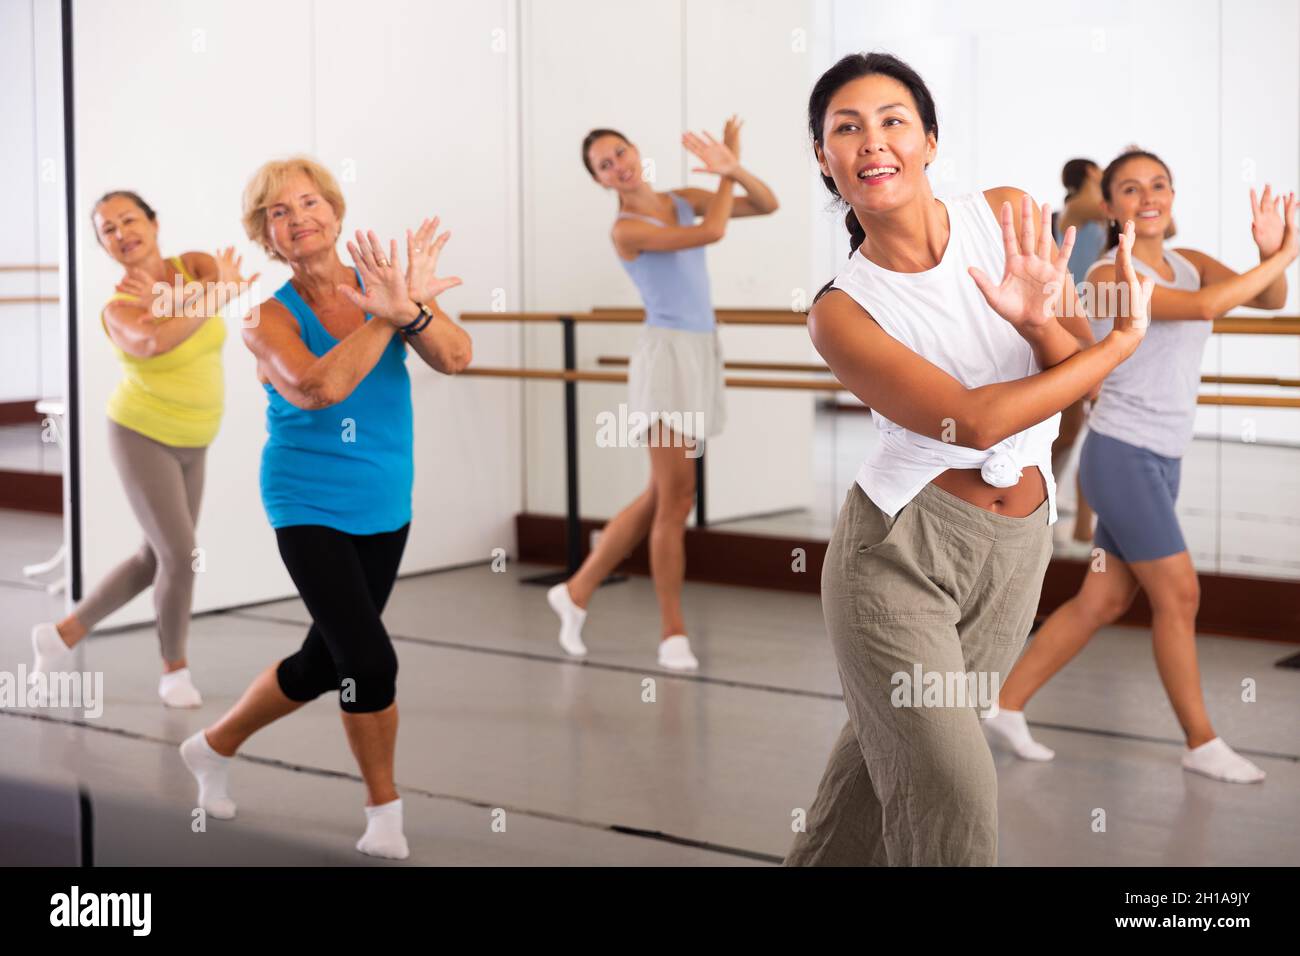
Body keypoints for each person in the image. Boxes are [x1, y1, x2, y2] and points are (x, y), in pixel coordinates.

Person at [783, 52, 1151, 866]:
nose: (872, 142)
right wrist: (1123, 343)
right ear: (824, 158)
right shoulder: (842, 312)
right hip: (898, 557)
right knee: (953, 792)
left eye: (892, 121)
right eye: (846, 128)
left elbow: (1070, 368)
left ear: (929, 141)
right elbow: (975, 425)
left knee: (873, 788)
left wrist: (1037, 324)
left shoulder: (1008, 216)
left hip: (1013, 556)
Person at [178, 156, 472, 860]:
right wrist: (389, 316)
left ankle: (211, 746)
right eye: (279, 213)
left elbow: (456, 357)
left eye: (309, 203)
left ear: (335, 213)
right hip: (306, 498)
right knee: (368, 661)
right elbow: (316, 389)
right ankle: (383, 814)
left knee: (322, 661)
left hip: (382, 497)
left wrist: (415, 312)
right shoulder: (266, 316)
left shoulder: (385, 289)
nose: (298, 218)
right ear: (267, 237)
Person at [987, 151, 1296, 784]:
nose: (1147, 196)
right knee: (1180, 594)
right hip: (1121, 456)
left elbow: (1266, 298)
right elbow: (1208, 307)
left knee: (1102, 599)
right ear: (1110, 207)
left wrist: (1269, 254)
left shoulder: (1189, 262)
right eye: (1130, 188)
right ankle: (1201, 741)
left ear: (1172, 195)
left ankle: (1003, 702)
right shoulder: (1109, 271)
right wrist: (1287, 253)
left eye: (1158, 184)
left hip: (1162, 459)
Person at [546, 117, 778, 671]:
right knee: (677, 499)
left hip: (700, 352)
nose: (618, 164)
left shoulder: (678, 199)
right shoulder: (626, 229)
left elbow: (767, 204)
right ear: (600, 180)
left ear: (635, 152)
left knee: (662, 492)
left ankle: (575, 591)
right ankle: (672, 632)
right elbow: (713, 233)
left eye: (620, 152)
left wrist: (735, 169)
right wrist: (724, 176)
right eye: (605, 164)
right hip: (666, 359)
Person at [30, 191, 251, 707]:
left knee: (154, 558)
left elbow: (228, 288)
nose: (121, 231)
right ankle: (174, 670)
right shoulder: (119, 308)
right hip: (142, 436)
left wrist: (192, 298)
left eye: (130, 219)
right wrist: (209, 297)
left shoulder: (191, 265)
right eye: (107, 229)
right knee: (181, 554)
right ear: (104, 246)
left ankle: (58, 635)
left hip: (196, 439)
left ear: (154, 222)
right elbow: (155, 342)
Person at [1051, 158, 1108, 546]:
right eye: (1103, 171)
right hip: (1069, 332)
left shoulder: (1099, 213)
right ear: (1090, 173)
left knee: (1084, 429)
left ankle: (1074, 515)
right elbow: (1115, 206)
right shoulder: (1076, 209)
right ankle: (1046, 497)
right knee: (1074, 429)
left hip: (1093, 331)